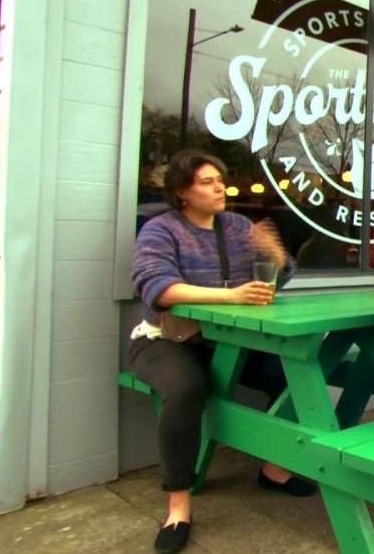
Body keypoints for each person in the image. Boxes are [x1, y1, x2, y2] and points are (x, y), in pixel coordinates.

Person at [129, 150, 313, 554]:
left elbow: (274, 284)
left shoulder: (236, 225)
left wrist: (277, 256)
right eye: (207, 182)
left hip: (230, 343)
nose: (220, 188)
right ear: (181, 191)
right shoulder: (161, 230)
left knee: (295, 377)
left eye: (220, 179)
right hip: (166, 340)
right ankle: (179, 504)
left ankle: (274, 468)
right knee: (184, 389)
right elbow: (158, 287)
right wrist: (231, 295)